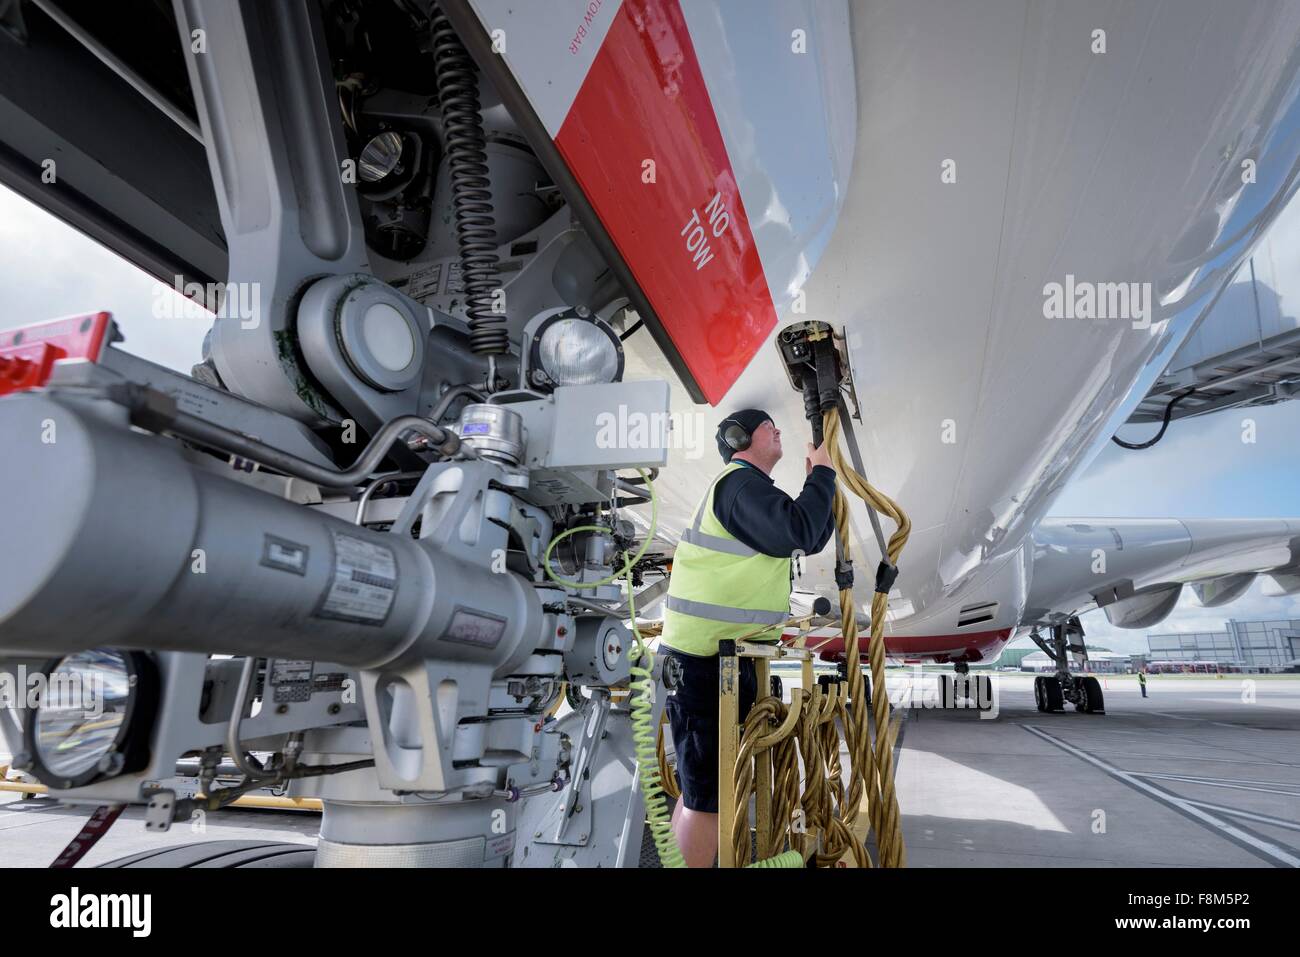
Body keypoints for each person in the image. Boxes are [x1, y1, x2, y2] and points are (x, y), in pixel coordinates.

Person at [660, 408, 837, 866]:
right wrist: (823, 473)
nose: (777, 430)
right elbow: (799, 528)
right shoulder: (737, 485)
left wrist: (821, 481)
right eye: (768, 425)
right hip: (702, 664)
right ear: (740, 437)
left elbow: (809, 535)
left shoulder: (749, 491)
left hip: (713, 660)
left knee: (703, 791)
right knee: (710, 800)